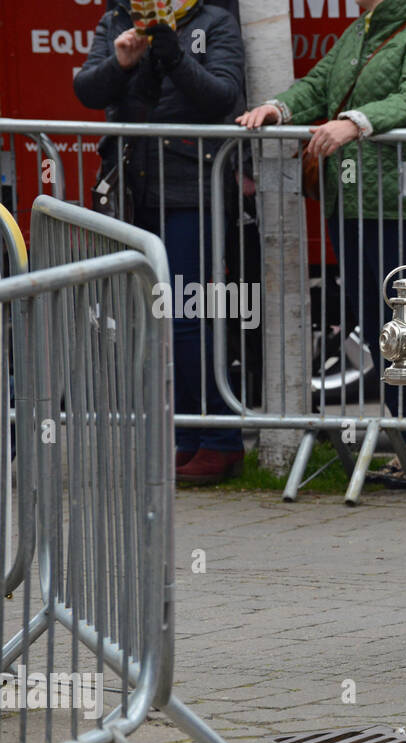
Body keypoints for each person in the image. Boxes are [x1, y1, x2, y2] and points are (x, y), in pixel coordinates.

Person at [236, 0, 406, 488]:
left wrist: (354, 122)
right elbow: (318, 85)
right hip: (351, 202)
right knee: (381, 329)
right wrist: (278, 107)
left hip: (401, 204)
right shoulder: (359, 32)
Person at [75, 0, 248, 484]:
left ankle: (221, 440)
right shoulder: (117, 20)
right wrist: (120, 62)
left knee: (189, 317)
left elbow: (223, 97)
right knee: (154, 318)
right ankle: (188, 436)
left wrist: (174, 56)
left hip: (192, 189)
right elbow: (87, 91)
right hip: (133, 189)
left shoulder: (215, 22)